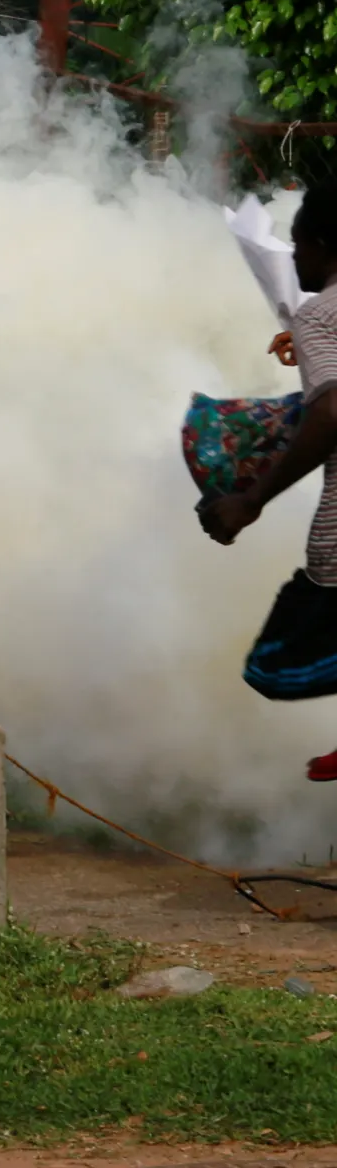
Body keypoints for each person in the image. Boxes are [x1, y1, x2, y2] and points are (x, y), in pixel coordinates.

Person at [202, 178, 337, 780]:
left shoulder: (319, 314)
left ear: (326, 244)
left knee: (275, 665)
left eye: (298, 243)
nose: (293, 256)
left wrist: (251, 500)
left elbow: (332, 410)